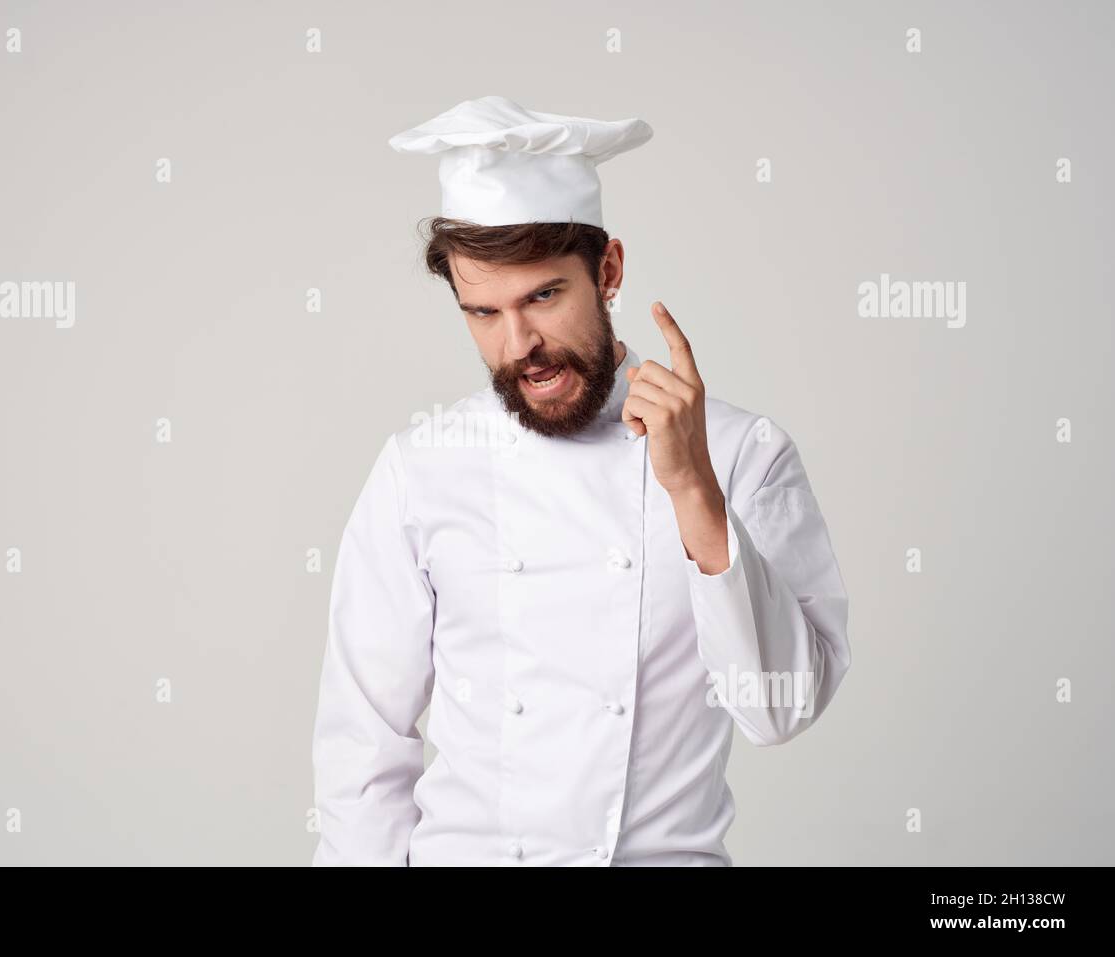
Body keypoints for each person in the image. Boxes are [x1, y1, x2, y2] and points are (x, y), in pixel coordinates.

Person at [311, 95, 851, 866]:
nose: (519, 344)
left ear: (609, 270)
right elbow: (362, 743)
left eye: (543, 297)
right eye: (483, 312)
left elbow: (779, 709)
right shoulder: (423, 466)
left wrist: (695, 491)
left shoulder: (741, 453)